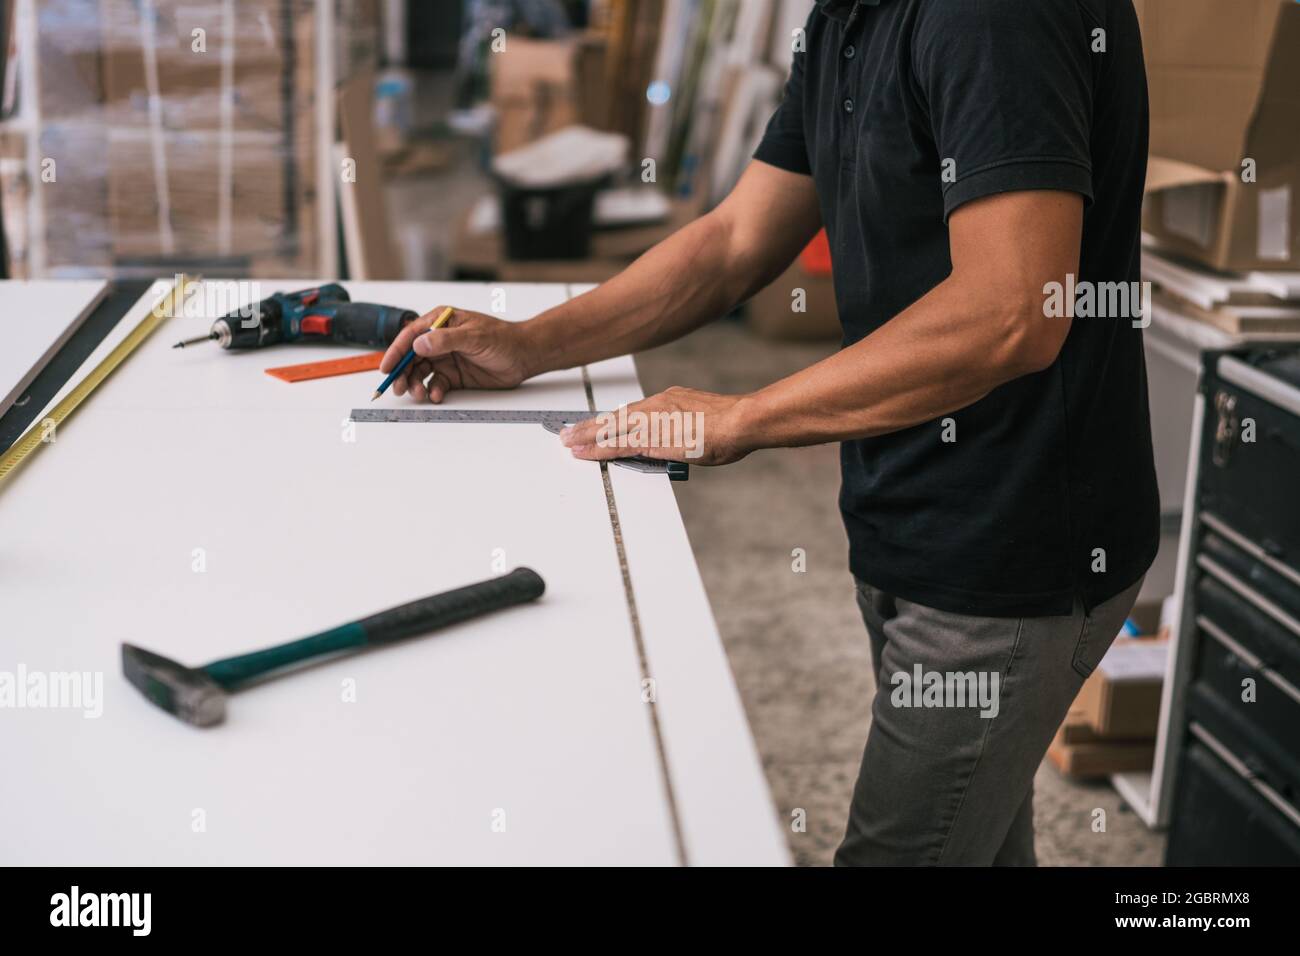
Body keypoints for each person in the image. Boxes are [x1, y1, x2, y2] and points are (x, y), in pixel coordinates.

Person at [381, 0, 1159, 865]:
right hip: (912, 513)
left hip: (1013, 552)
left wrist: (742, 417)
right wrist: (529, 344)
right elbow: (735, 239)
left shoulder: (990, 18)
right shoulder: (845, 18)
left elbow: (1012, 311)